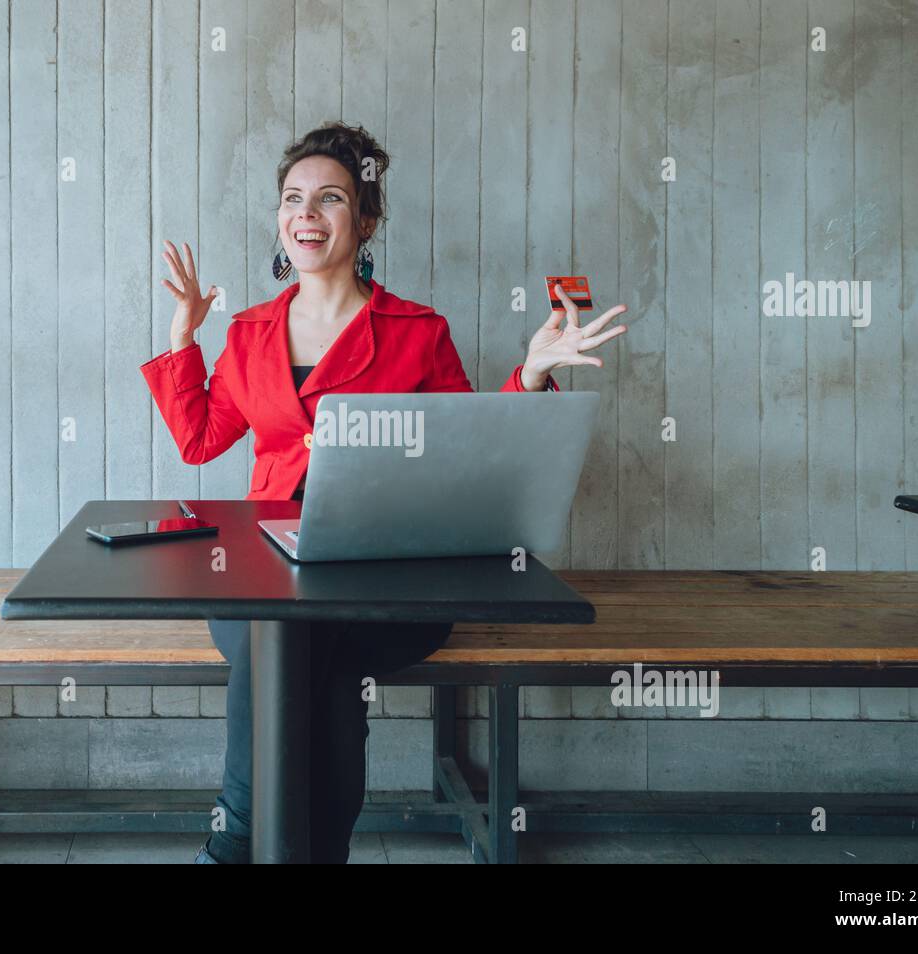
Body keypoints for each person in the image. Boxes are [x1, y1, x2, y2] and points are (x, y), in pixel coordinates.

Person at [140, 121, 627, 863]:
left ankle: (235, 837)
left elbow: (473, 459)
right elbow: (200, 439)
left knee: (296, 645)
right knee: (311, 661)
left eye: (329, 198)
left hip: (390, 577)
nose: (306, 212)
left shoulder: (416, 331)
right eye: (292, 198)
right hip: (265, 576)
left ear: (364, 220)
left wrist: (528, 374)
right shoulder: (247, 333)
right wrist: (184, 338)